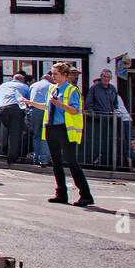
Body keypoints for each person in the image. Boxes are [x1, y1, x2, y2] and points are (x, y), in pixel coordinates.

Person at [26, 61, 93, 206]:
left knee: (71, 162)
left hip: (65, 129)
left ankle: (85, 195)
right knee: (56, 163)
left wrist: (60, 105)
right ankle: (61, 194)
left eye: (55, 73)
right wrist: (30, 102)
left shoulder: (72, 90)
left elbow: (75, 110)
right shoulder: (52, 89)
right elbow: (47, 107)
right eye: (52, 73)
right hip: (51, 127)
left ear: (64, 75)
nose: (53, 76)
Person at [85, 68, 120, 167]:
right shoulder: (94, 88)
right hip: (97, 119)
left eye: (108, 77)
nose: (106, 78)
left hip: (109, 119)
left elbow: (115, 103)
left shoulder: (112, 88)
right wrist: (93, 115)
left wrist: (114, 112)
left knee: (108, 141)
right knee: (96, 141)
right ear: (101, 77)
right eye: (104, 76)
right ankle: (93, 161)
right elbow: (88, 103)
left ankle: (106, 162)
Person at [0, 72, 31, 166]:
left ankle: (3, 151)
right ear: (22, 80)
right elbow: (28, 100)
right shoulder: (24, 86)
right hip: (15, 109)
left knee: (5, 130)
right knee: (14, 133)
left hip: (2, 108)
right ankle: (12, 157)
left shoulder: (3, 85)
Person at [27, 71, 53, 166]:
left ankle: (36, 158)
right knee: (45, 136)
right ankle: (44, 159)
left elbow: (29, 98)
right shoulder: (51, 86)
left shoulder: (33, 85)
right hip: (46, 110)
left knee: (36, 135)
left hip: (34, 111)